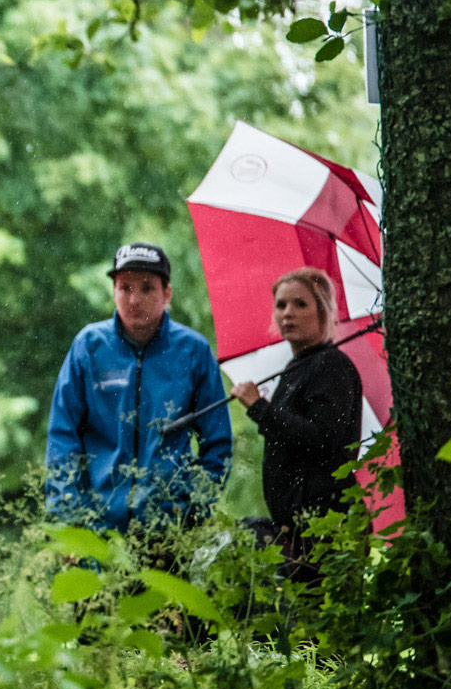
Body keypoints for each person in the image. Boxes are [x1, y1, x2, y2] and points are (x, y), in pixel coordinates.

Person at [45, 242, 232, 535]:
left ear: (167, 293)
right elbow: (63, 436)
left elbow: (217, 441)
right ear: (114, 291)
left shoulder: (193, 351)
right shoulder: (89, 346)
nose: (134, 299)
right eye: (125, 287)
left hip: (170, 528)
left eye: (147, 288)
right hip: (97, 527)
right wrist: (69, 518)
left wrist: (195, 508)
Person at [231, 268, 361, 578]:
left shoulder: (330, 365)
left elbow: (322, 439)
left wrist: (261, 409)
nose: (288, 313)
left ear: (323, 310)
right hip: (297, 531)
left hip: (325, 530)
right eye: (281, 305)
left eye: (300, 304)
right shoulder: (297, 367)